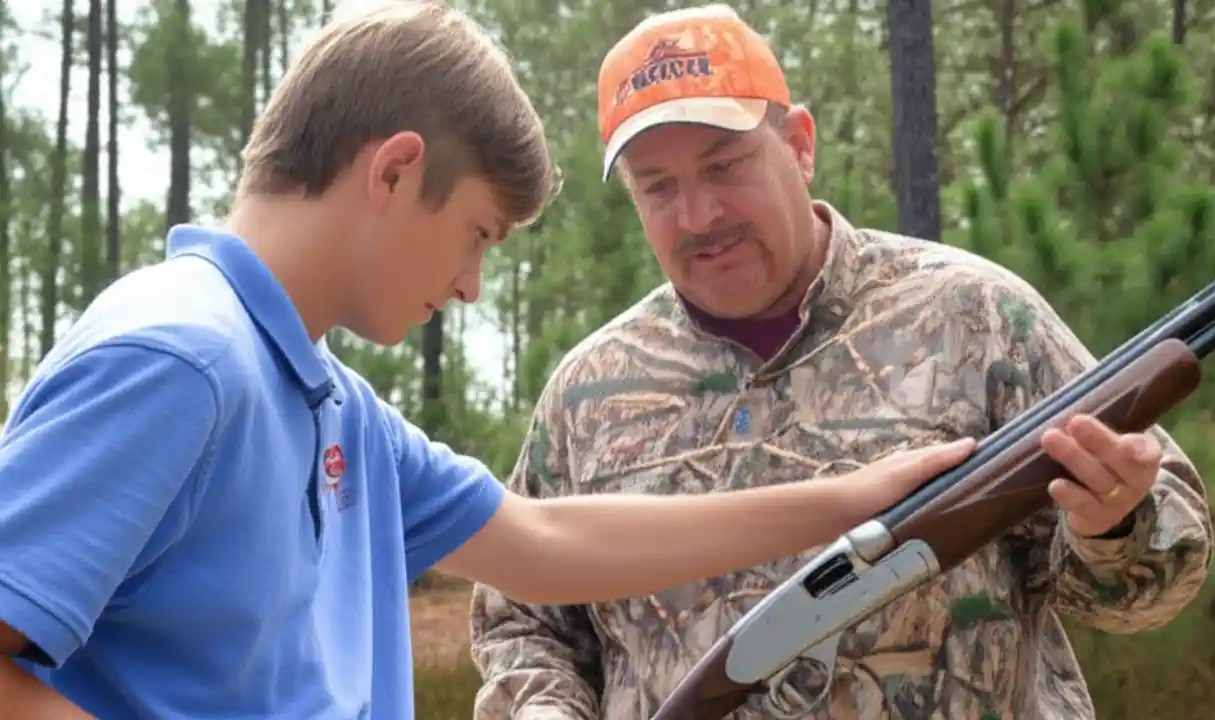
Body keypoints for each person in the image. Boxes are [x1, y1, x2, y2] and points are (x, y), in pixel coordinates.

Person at [0, 3, 985, 719]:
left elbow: (543, 545)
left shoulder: (327, 404)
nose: (470, 284)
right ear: (393, 170)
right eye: (476, 234)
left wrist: (851, 502)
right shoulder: (180, 357)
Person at [469, 4, 1214, 719]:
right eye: (658, 188)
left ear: (799, 144)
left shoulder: (973, 315)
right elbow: (520, 623)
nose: (699, 216)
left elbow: (1154, 582)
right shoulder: (588, 391)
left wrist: (1114, 524)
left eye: (725, 165)